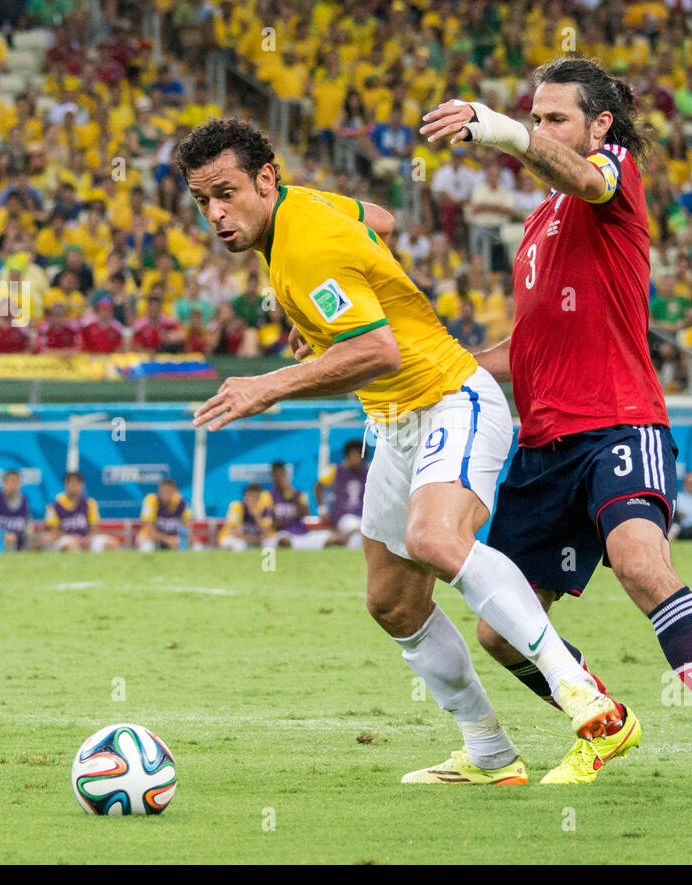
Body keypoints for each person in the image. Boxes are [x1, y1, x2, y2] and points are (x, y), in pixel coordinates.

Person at [178, 118, 619, 785]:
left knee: (434, 536)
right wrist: (349, 311)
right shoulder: (305, 207)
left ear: (265, 179)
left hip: (452, 397)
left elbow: (379, 349)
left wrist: (270, 383)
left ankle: (585, 694)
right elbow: (380, 218)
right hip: (393, 422)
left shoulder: (305, 244)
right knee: (392, 601)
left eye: (226, 192)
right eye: (202, 200)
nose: (214, 212)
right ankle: (489, 752)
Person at [422, 58, 692, 791]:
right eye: (532, 117)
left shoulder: (611, 175)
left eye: (554, 118)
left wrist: (496, 131)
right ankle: (603, 719)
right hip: (542, 446)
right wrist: (435, 365)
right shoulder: (536, 224)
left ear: (598, 125)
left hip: (621, 423)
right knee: (501, 629)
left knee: (640, 562)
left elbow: (584, 177)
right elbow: (522, 347)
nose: (540, 130)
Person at [41, 471, 119, 551]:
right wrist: (73, 538)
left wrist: (88, 538)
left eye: (77, 483)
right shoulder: (54, 505)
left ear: (82, 485)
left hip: (86, 538)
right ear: (65, 485)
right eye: (71, 484)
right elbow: (53, 530)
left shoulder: (90, 503)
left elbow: (94, 527)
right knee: (69, 546)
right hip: (65, 538)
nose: (74, 487)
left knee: (112, 544)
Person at [269, 461, 330, 549]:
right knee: (283, 542)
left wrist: (293, 496)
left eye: (282, 474)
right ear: (272, 476)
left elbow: (307, 514)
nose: (280, 478)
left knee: (332, 539)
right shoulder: (268, 496)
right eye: (277, 474)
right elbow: (272, 525)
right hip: (282, 534)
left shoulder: (298, 493)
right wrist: (294, 515)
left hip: (301, 532)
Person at [137, 476, 193, 551]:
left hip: (173, 536)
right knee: (147, 539)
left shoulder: (182, 502)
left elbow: (188, 526)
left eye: (169, 491)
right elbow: (148, 527)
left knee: (190, 538)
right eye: (164, 490)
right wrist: (168, 540)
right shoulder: (151, 500)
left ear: (175, 491)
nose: (166, 493)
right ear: (159, 490)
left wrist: (181, 540)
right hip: (156, 537)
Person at [217, 482, 277, 551]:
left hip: (252, 540)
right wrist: (257, 539)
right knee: (239, 544)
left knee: (271, 542)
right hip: (232, 538)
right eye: (251, 497)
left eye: (256, 497)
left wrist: (257, 516)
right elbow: (237, 534)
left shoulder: (264, 510)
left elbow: (267, 533)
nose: (253, 500)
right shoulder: (237, 507)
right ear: (246, 496)